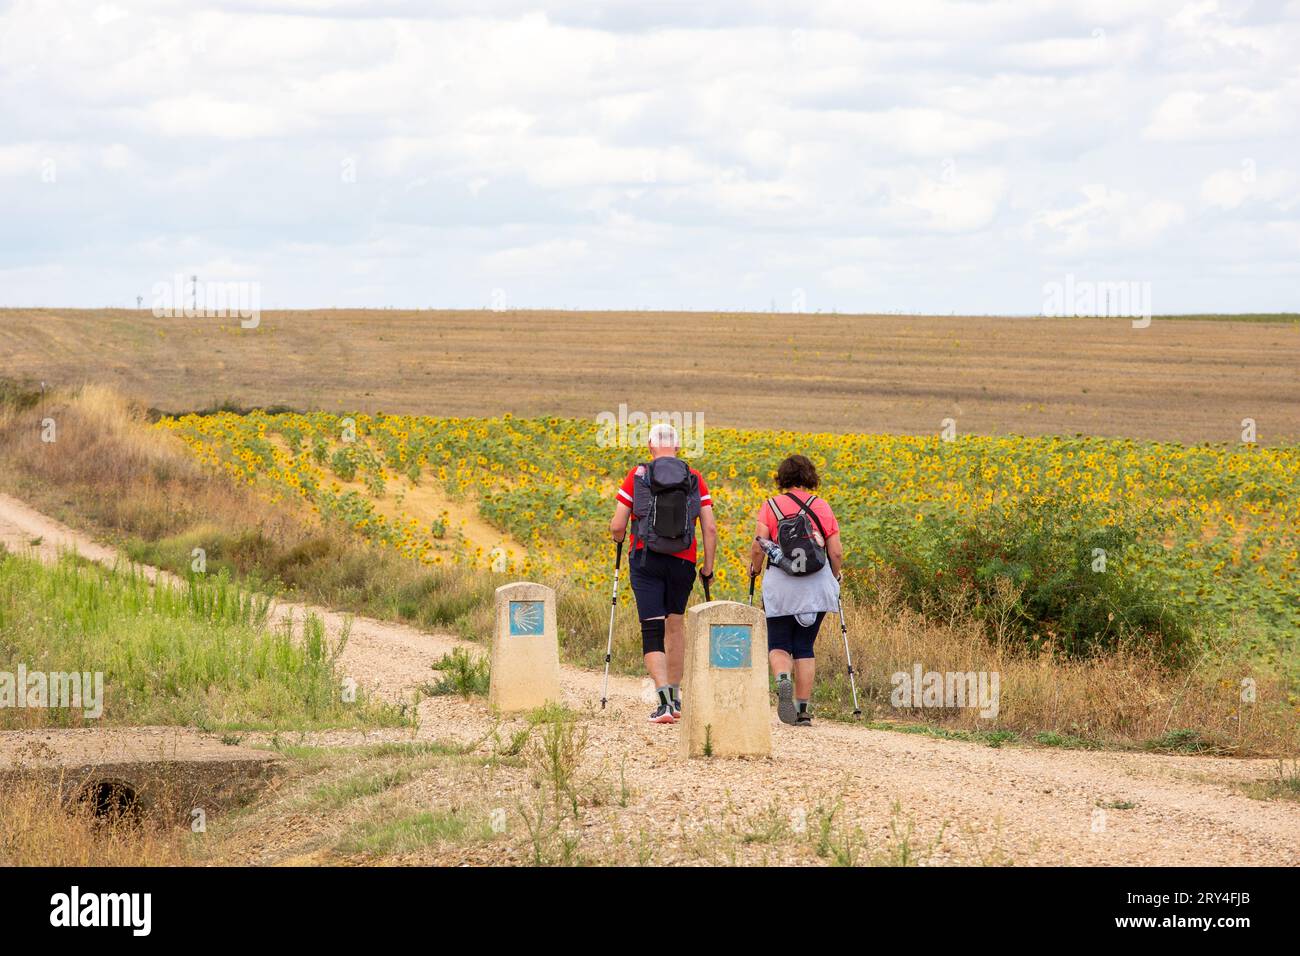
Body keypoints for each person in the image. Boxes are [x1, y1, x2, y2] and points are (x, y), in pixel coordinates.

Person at [609, 423, 717, 724]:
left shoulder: (638, 475)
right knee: (676, 627)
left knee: (653, 629)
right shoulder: (695, 478)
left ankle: (663, 703)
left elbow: (618, 525)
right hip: (684, 561)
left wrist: (618, 537)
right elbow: (709, 527)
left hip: (647, 559)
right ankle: (677, 695)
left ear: (650, 446)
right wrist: (707, 567)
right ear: (679, 448)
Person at [748, 454, 842, 727]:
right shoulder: (822, 507)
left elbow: (759, 546)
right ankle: (802, 710)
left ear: (782, 478)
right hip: (816, 584)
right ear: (809, 477)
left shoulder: (770, 506)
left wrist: (754, 569)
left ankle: (782, 680)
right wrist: (835, 578)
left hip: (781, 584)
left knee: (778, 643)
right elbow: (835, 551)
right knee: (804, 646)